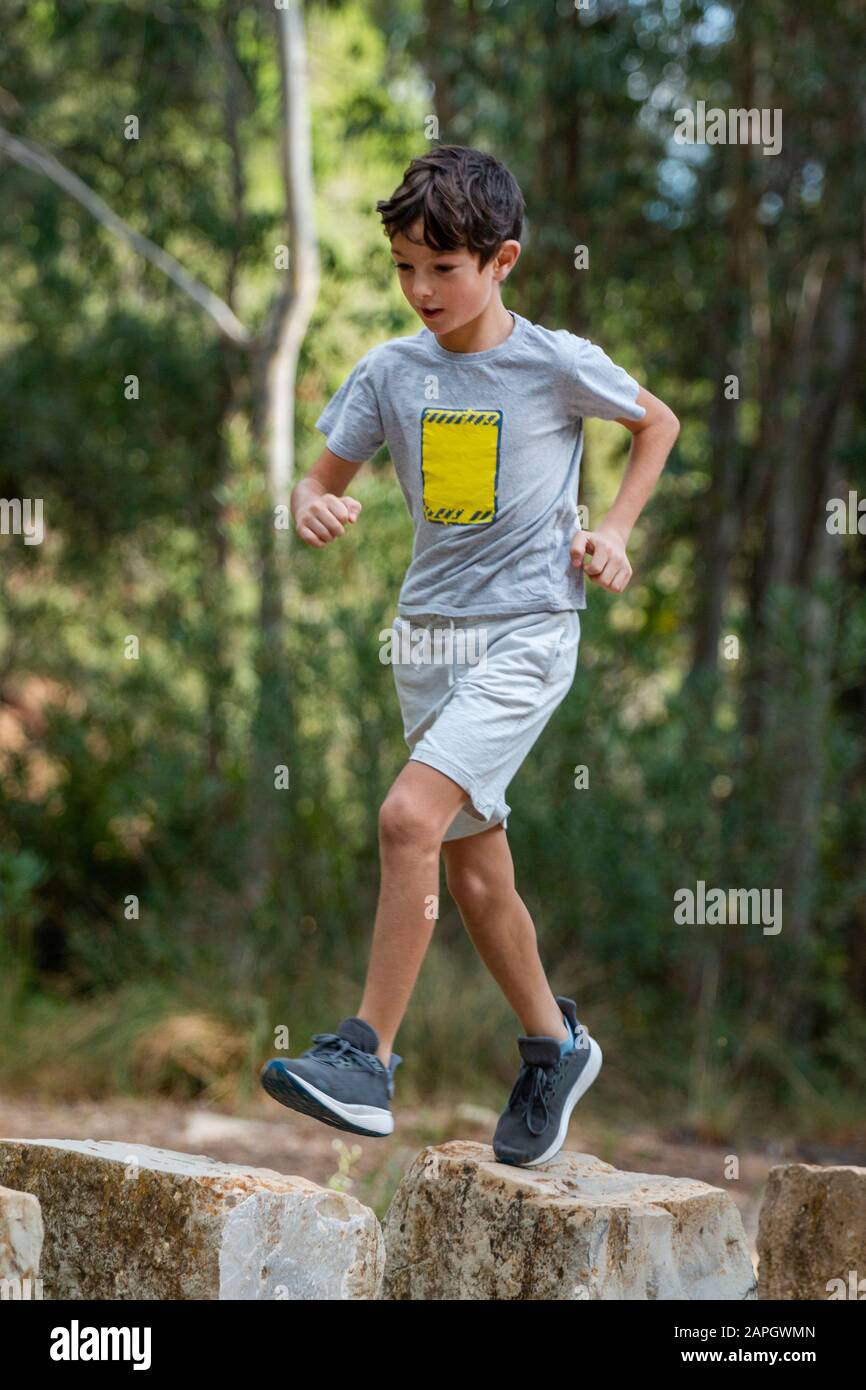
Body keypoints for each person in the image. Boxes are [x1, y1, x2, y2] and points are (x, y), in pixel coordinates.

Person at [261, 145, 680, 1166]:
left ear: (502, 262)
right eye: (404, 266)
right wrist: (313, 506)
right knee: (480, 880)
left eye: (441, 270)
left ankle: (365, 1056)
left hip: (529, 634)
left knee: (406, 814)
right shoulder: (389, 371)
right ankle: (553, 1044)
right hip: (426, 643)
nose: (418, 290)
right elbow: (310, 483)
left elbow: (655, 420)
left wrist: (616, 530)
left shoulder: (550, 360)